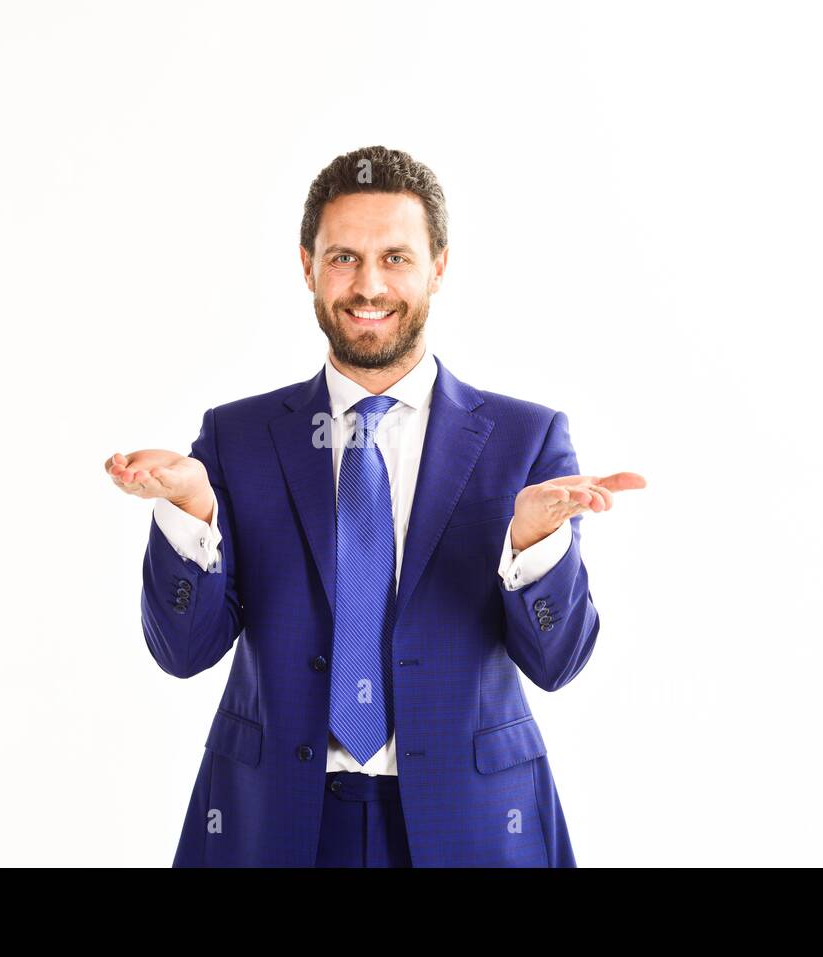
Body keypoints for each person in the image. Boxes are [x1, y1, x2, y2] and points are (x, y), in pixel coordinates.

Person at [105, 145, 645, 866]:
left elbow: (557, 663)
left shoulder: (526, 439)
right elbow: (183, 650)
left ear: (438, 267)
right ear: (307, 267)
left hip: (471, 822)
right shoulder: (235, 439)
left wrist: (536, 547)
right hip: (274, 821)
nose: (368, 285)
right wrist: (189, 515)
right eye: (343, 258)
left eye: (396, 257)